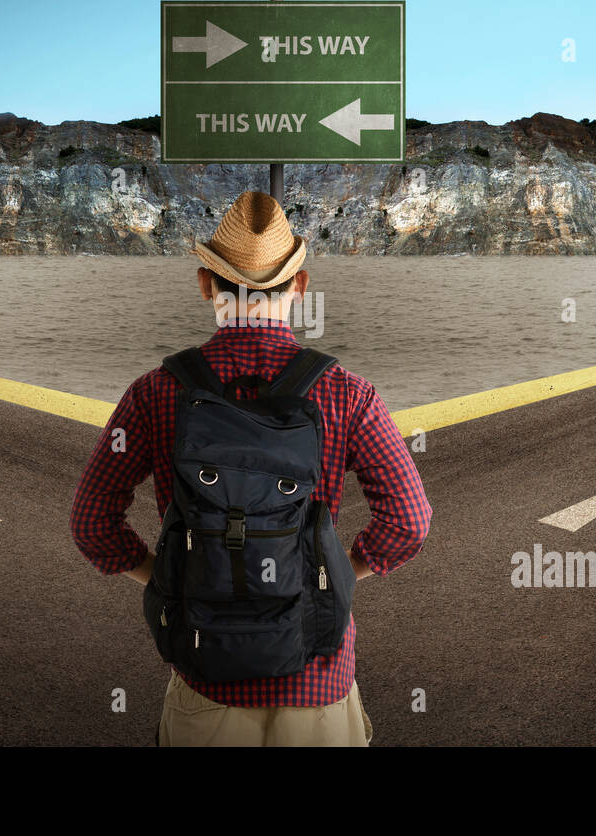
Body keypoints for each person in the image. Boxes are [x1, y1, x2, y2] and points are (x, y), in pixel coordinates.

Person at [70, 190, 432, 746]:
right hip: (318, 681)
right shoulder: (346, 393)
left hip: (206, 681)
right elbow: (408, 521)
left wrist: (171, 578)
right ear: (301, 287)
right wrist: (327, 577)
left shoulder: (156, 392)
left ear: (204, 284)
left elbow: (92, 523)